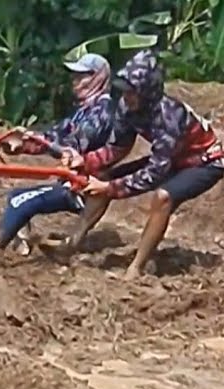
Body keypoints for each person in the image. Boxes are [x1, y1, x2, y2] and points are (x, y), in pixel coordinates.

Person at [65, 49, 224, 280]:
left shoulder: (169, 117)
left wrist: (108, 189)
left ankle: (136, 268)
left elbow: (155, 173)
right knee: (105, 176)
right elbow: (117, 149)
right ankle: (72, 242)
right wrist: (86, 161)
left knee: (163, 197)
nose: (127, 96)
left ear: (148, 92)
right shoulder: (126, 108)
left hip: (205, 160)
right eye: (125, 90)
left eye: (133, 92)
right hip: (173, 157)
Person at [0, 53, 116, 256]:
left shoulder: (103, 111)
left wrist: (37, 141)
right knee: (14, 196)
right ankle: (22, 244)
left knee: (21, 202)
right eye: (75, 77)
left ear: (98, 77)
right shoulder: (84, 111)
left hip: (86, 187)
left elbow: (73, 145)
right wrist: (23, 143)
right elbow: (54, 135)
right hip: (72, 182)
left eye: (82, 76)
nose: (75, 82)